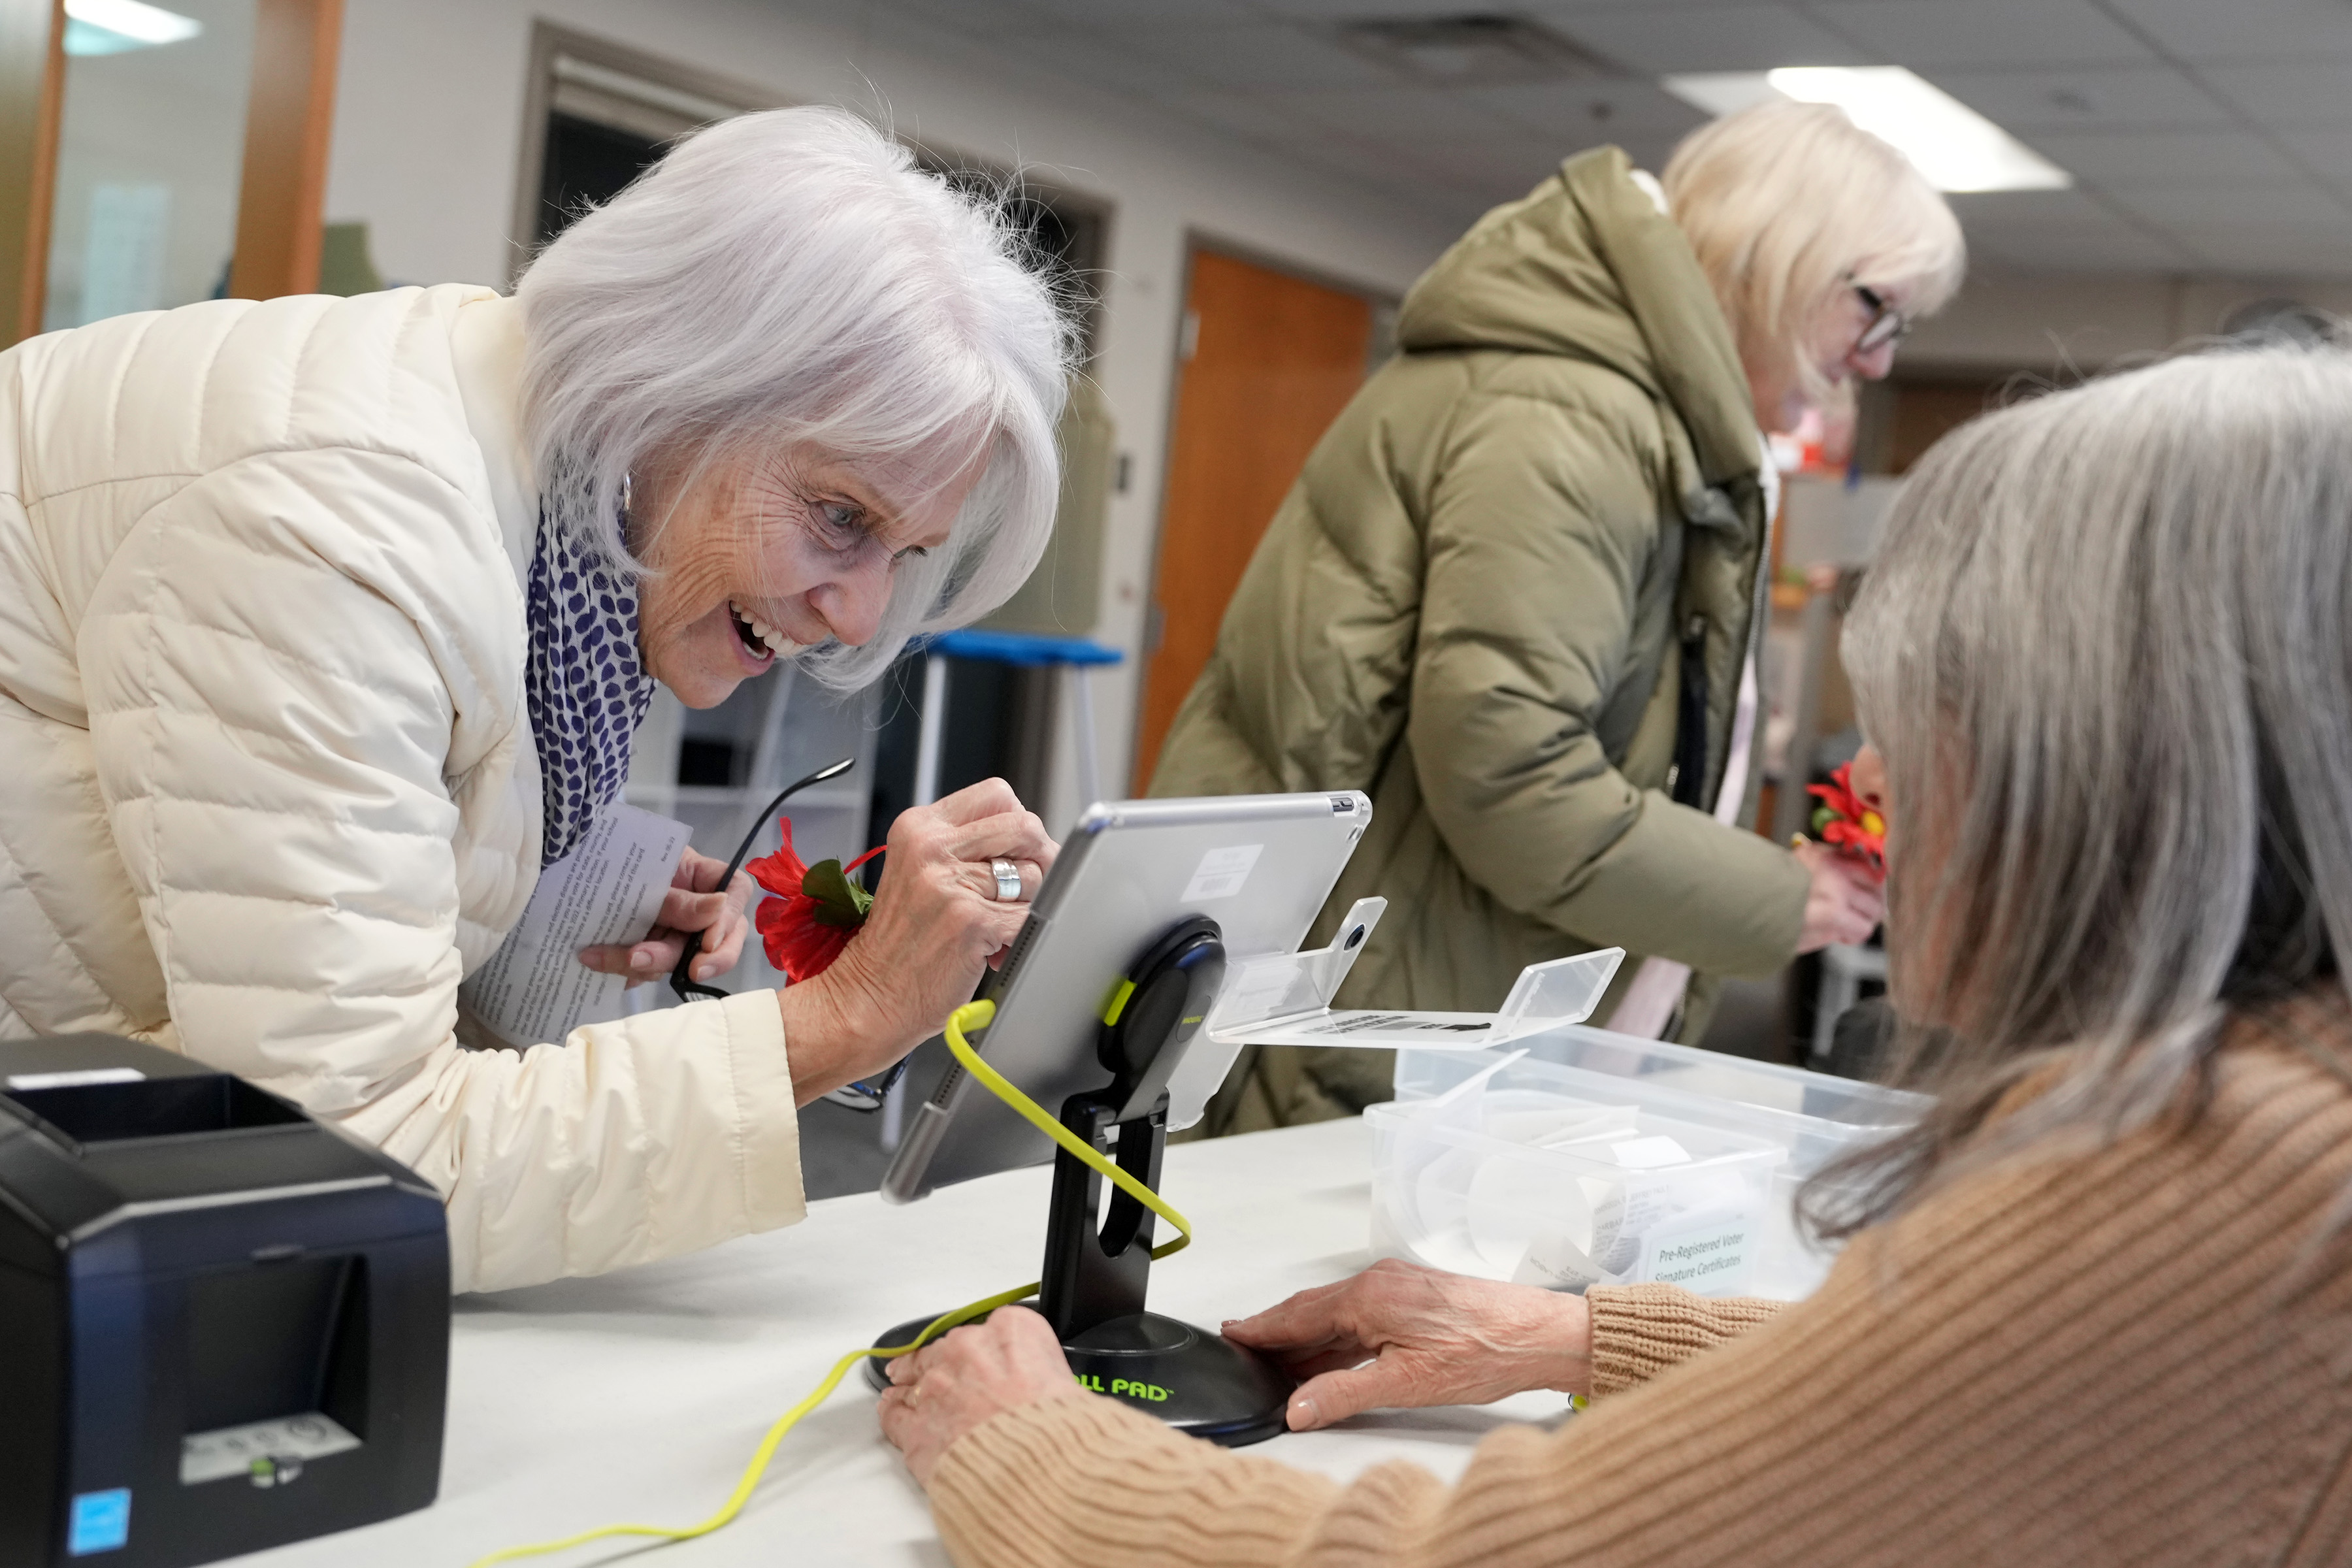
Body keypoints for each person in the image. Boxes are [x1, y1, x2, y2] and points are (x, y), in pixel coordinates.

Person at [881, 343, 2352, 1567]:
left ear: (2099, 773)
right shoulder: (2285, 1124)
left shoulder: (2208, 1181)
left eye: (1920, 719)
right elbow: (1989, 1394)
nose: (1873, 777)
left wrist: (1031, 1453)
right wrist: (1570, 1335)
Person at [0, 106, 1074, 1292]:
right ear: (675, 384)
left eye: (904, 555)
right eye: (839, 517)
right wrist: (845, 1020)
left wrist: (539, 874)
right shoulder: (342, 541)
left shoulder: (523, 462)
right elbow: (345, 1170)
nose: (862, 615)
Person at [1151, 101, 1962, 1134]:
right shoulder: (1571, 417)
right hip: (1387, 1016)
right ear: (1783, 264)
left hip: (1424, 993)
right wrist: (1773, 897)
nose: (1880, 359)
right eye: (1877, 311)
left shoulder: (1632, 413)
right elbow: (1511, 772)